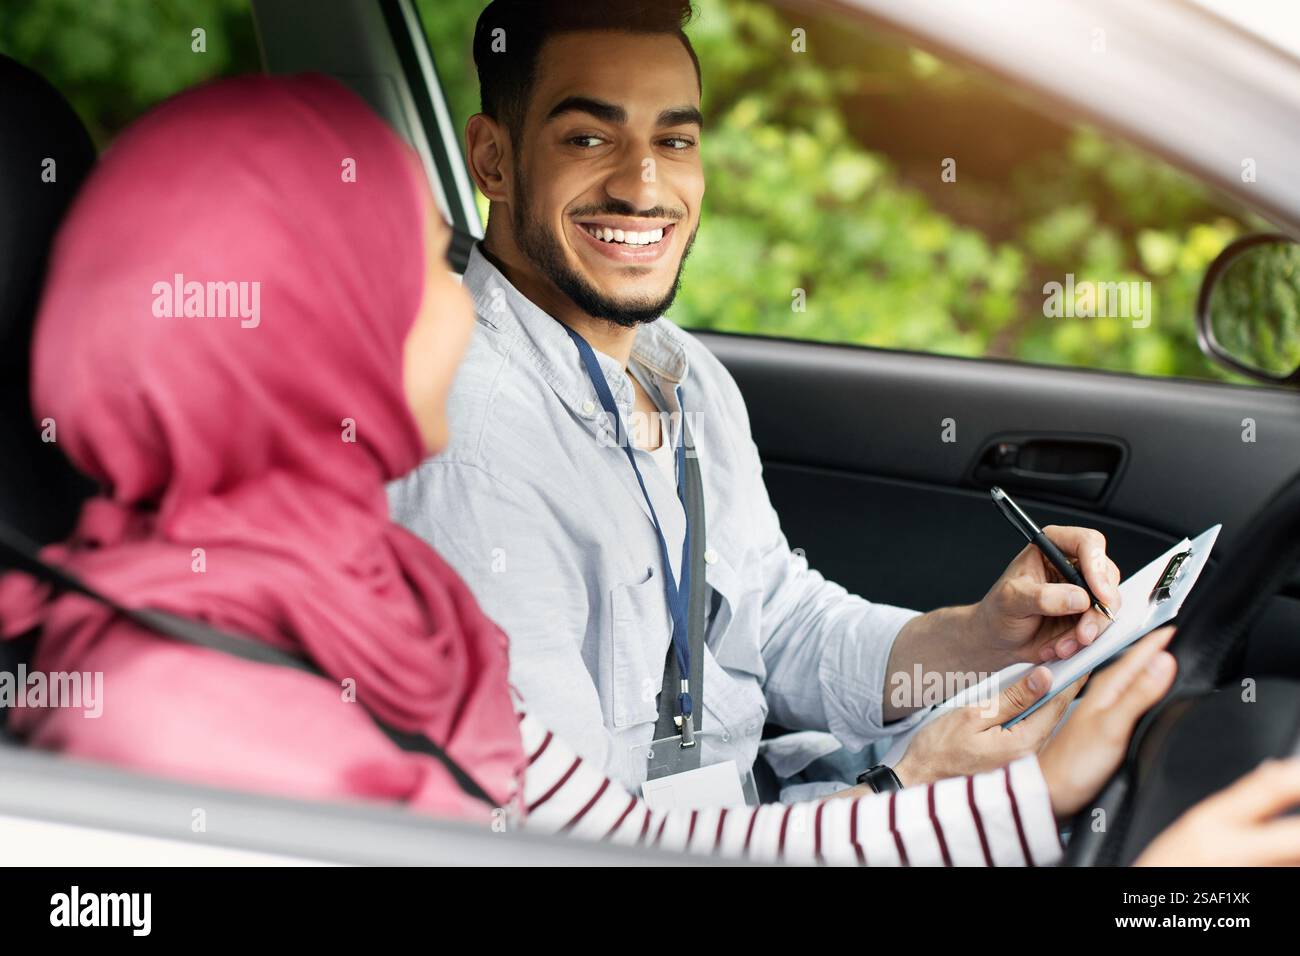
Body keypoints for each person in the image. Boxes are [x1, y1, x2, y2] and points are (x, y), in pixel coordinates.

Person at [2, 72, 1298, 867]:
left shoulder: (383, 596)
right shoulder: (176, 735)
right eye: (414, 258)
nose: (453, 302)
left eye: (678, 138)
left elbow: (633, 847)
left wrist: (1020, 781)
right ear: (309, 320)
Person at [388, 0, 1123, 798]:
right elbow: (570, 837)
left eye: (673, 141)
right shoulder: (472, 441)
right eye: (590, 138)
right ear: (492, 160)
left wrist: (981, 639)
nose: (643, 186)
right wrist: (899, 795)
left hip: (757, 808)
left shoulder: (684, 374)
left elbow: (778, 624)